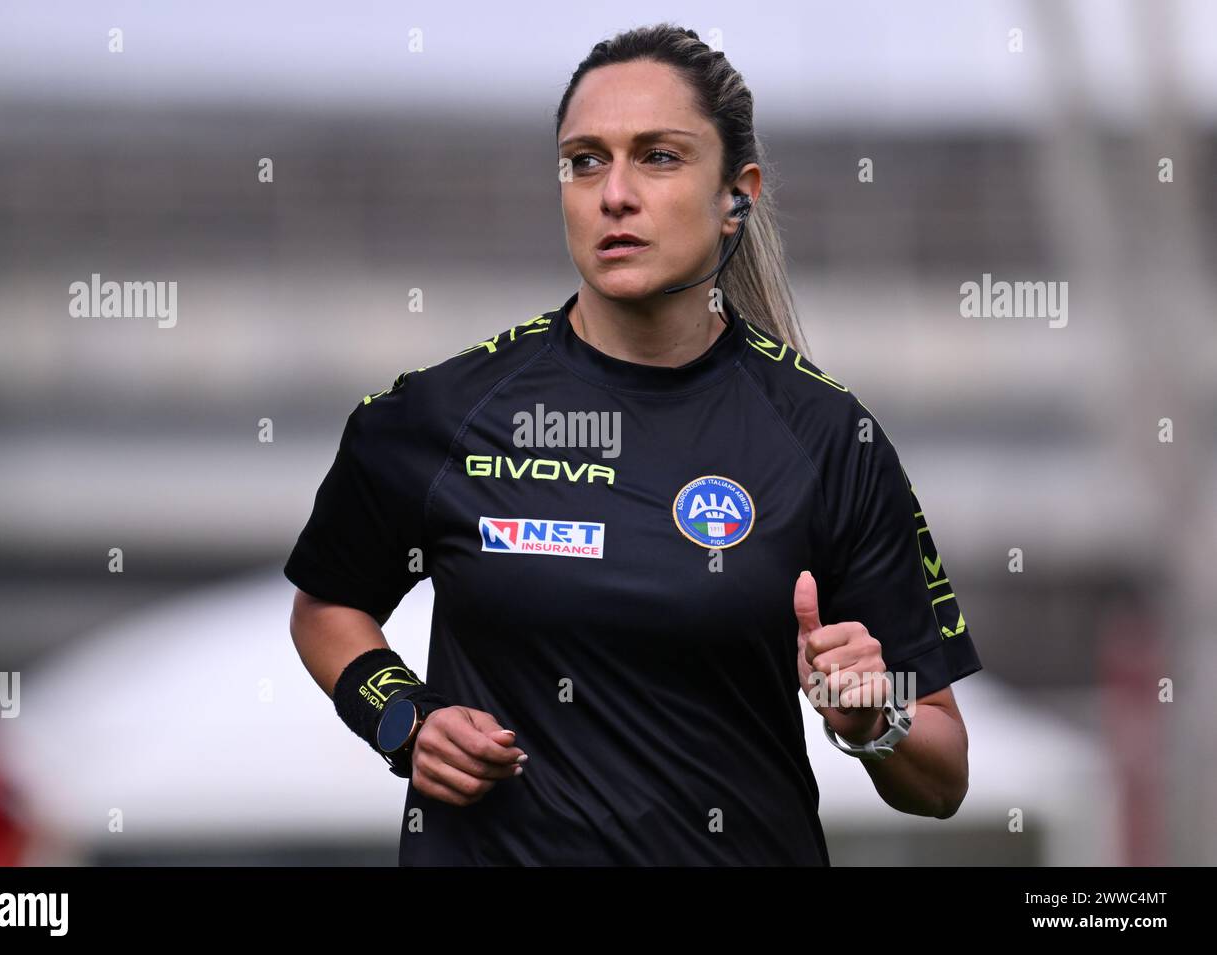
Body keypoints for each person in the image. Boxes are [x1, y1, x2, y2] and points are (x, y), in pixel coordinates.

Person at [285, 22, 982, 866]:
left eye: (658, 157)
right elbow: (327, 605)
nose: (613, 193)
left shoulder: (828, 437)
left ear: (739, 195)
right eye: (585, 160)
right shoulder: (443, 414)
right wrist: (402, 719)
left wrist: (876, 717)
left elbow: (942, 774)